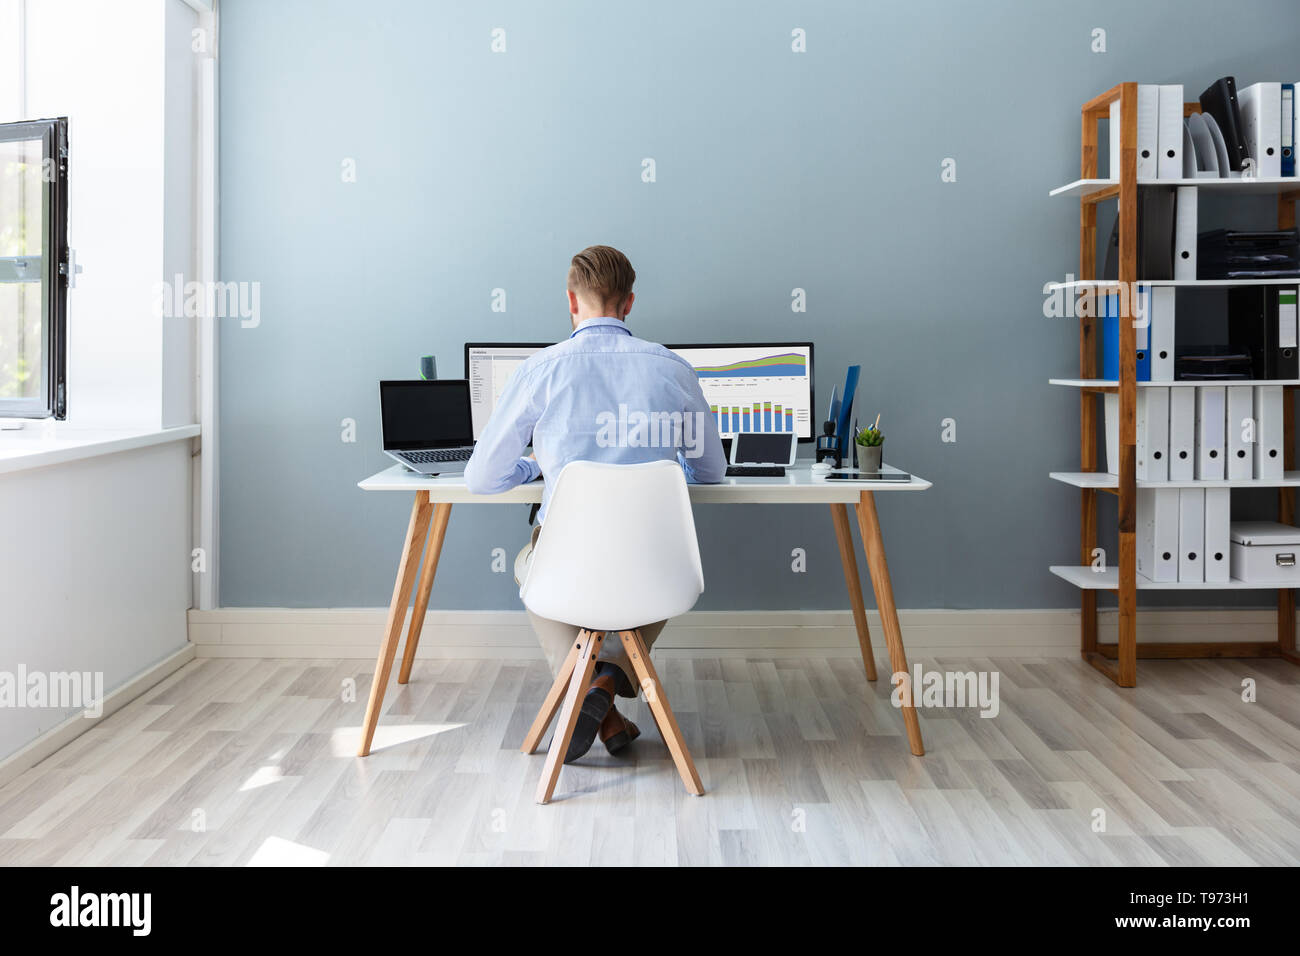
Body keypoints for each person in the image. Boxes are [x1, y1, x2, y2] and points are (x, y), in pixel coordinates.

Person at [464, 245, 725, 762]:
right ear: (628, 303)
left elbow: (481, 477)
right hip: (655, 563)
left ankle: (589, 696)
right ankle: (606, 682)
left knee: (530, 567)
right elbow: (712, 471)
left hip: (569, 560)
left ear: (570, 302)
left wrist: (535, 465)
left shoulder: (541, 370)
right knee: (662, 570)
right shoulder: (672, 369)